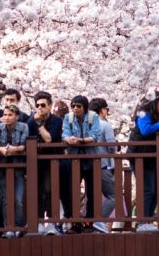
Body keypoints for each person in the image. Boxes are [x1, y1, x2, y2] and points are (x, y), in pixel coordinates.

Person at [61, 94, 102, 233]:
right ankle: (75, 221)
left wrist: (79, 140)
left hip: (90, 158)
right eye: (73, 106)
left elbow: (95, 136)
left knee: (92, 191)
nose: (75, 109)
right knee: (71, 190)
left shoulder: (93, 117)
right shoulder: (68, 117)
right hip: (75, 158)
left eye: (78, 106)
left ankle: (89, 221)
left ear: (84, 107)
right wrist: (68, 139)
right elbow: (65, 133)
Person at [0, 104, 29, 238]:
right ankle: (8, 227)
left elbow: (23, 145)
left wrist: (14, 149)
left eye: (10, 115)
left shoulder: (23, 127)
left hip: (18, 167)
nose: (6, 117)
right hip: (2, 167)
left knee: (18, 199)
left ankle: (17, 226)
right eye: (5, 115)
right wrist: (1, 150)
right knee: (5, 199)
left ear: (17, 116)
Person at [130, 90, 159, 230]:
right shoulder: (143, 113)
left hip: (150, 157)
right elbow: (145, 130)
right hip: (140, 156)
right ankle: (142, 221)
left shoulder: (156, 115)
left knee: (155, 190)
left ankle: (148, 220)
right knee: (148, 189)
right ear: (155, 101)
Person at [31, 91, 63, 236]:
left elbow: (49, 139)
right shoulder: (30, 121)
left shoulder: (56, 121)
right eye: (37, 105)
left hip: (52, 161)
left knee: (50, 190)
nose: (40, 108)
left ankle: (51, 222)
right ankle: (37, 221)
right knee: (36, 191)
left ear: (49, 106)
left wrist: (39, 123)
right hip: (34, 162)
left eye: (43, 105)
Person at [89, 98, 117, 234]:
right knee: (114, 196)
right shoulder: (105, 125)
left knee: (91, 195)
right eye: (106, 109)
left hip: (88, 165)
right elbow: (112, 145)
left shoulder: (86, 124)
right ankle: (98, 220)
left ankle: (88, 222)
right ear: (102, 110)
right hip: (103, 164)